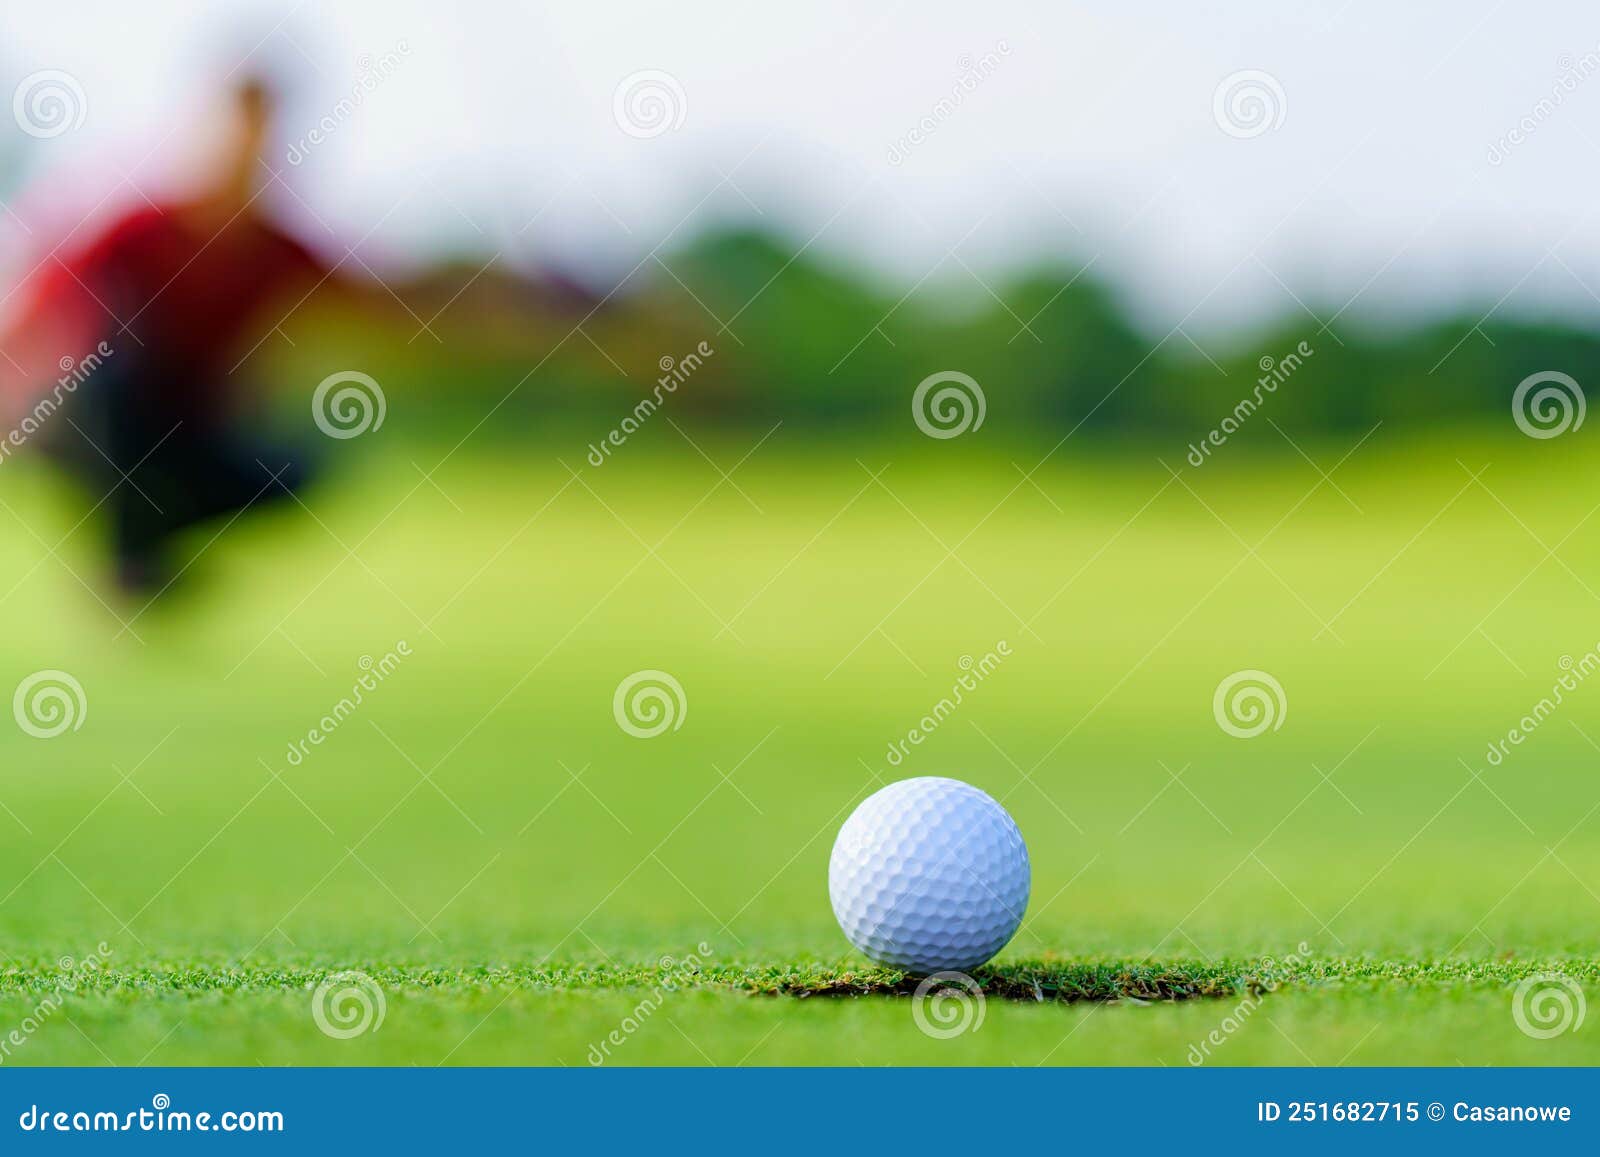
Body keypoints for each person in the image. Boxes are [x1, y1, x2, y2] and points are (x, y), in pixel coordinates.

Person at [0, 77, 330, 595]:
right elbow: (34, 307)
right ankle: (126, 556)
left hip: (188, 433)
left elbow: (382, 306)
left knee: (298, 465)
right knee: (111, 381)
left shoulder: (283, 249)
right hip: (86, 420)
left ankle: (146, 543)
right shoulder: (135, 230)